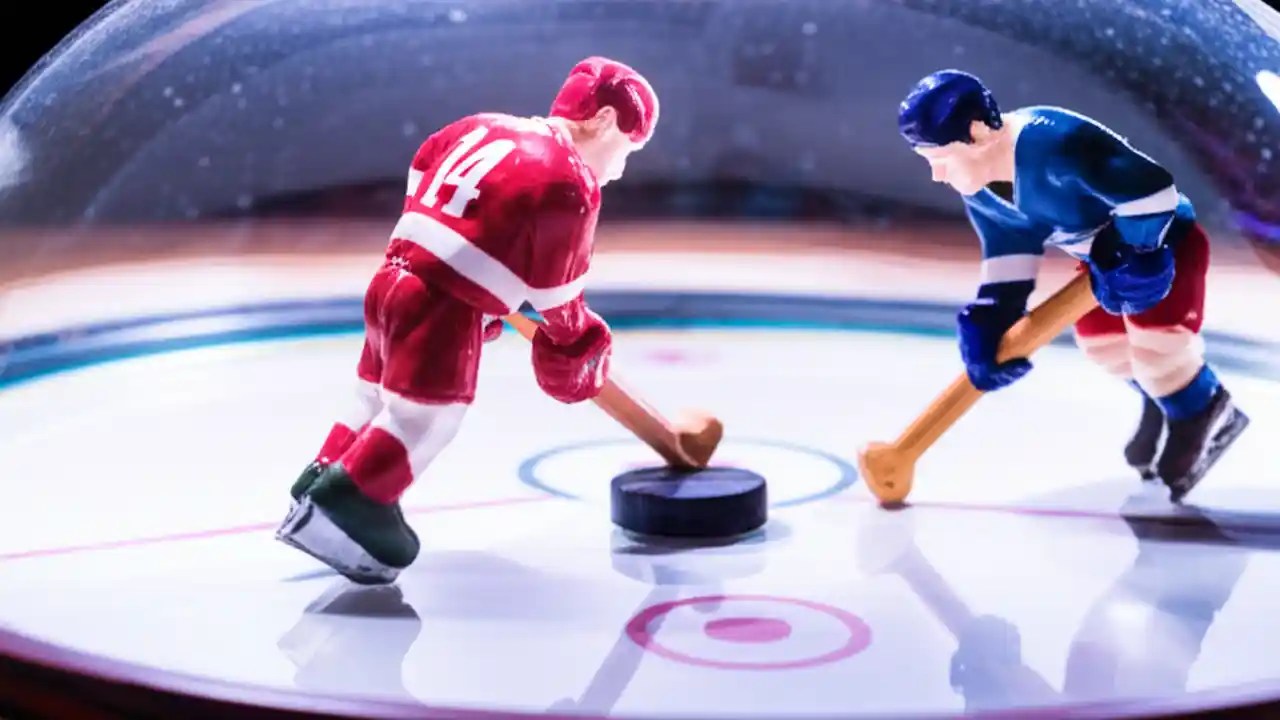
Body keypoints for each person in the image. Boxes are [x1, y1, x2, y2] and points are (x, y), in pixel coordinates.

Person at [276, 56, 660, 584]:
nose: (619, 170)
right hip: (443, 304)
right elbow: (557, 296)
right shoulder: (572, 183)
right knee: (426, 415)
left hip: (391, 278)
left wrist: (481, 283)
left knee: (374, 394)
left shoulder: (482, 125)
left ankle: (321, 475)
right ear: (603, 121)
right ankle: (356, 499)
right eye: (626, 150)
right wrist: (576, 340)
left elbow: (424, 161)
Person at [896, 69, 1248, 503]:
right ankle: (1163, 402)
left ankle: (1202, 409)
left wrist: (1139, 250)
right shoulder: (980, 189)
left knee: (1158, 347)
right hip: (1101, 269)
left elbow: (1151, 191)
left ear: (976, 132)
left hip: (1166, 248)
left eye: (942, 158)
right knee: (1104, 345)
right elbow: (1009, 246)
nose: (936, 175)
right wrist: (994, 313)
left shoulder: (1057, 143)